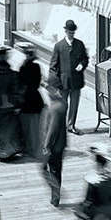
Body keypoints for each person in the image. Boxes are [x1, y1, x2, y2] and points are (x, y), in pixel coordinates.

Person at [49, 18, 89, 132]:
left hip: (76, 80)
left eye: (73, 33)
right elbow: (53, 65)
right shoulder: (59, 46)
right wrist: (55, 83)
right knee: (62, 105)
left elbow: (85, 58)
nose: (71, 35)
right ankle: (61, 125)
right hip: (63, 81)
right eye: (69, 32)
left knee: (74, 104)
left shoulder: (79, 44)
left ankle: (71, 125)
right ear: (65, 31)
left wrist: (82, 65)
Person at [39, 79, 68, 207]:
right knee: (55, 170)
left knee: (50, 170)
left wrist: (47, 145)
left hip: (54, 146)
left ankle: (56, 195)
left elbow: (53, 130)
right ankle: (55, 195)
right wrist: (45, 84)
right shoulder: (62, 103)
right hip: (60, 144)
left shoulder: (55, 108)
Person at [15, 48, 45, 158]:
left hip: (27, 100)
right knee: (36, 127)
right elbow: (37, 83)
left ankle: (30, 148)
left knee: (27, 127)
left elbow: (20, 84)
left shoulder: (23, 68)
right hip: (37, 99)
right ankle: (36, 147)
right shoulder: (37, 67)